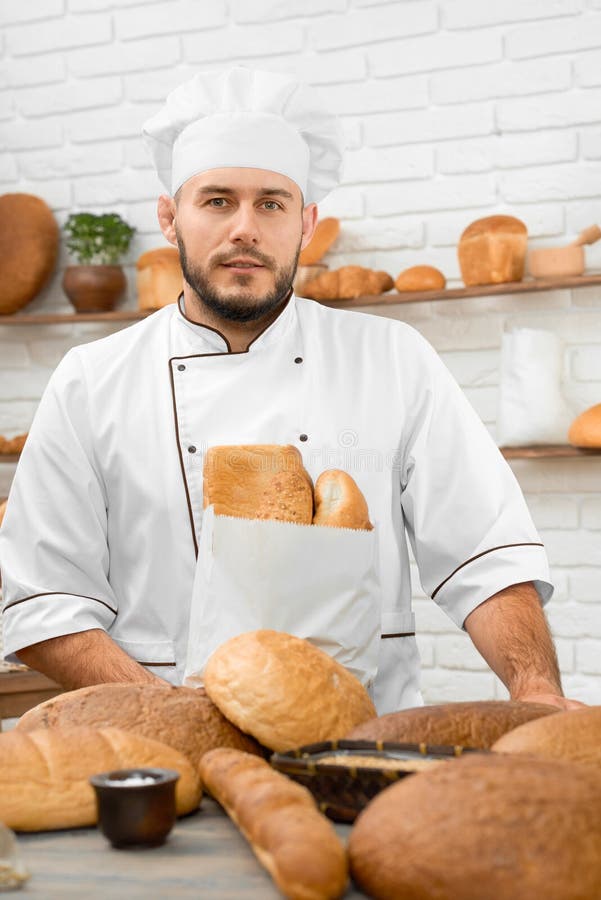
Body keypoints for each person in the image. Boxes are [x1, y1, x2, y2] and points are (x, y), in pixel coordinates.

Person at [0, 67, 582, 713]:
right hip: (164, 742)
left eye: (270, 204)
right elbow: (43, 601)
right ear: (170, 218)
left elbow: (485, 555)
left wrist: (535, 689)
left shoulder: (392, 358)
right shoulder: (92, 379)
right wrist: (175, 712)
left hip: (362, 735)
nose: (244, 228)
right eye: (217, 201)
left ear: (305, 223)